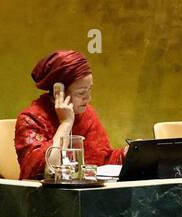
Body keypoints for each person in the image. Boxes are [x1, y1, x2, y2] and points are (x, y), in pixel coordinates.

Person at [15, 51, 124, 180]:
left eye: (90, 89)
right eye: (81, 93)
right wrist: (66, 123)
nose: (88, 98)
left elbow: (103, 160)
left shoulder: (87, 114)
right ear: (58, 92)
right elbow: (49, 170)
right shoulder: (30, 119)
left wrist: (128, 154)